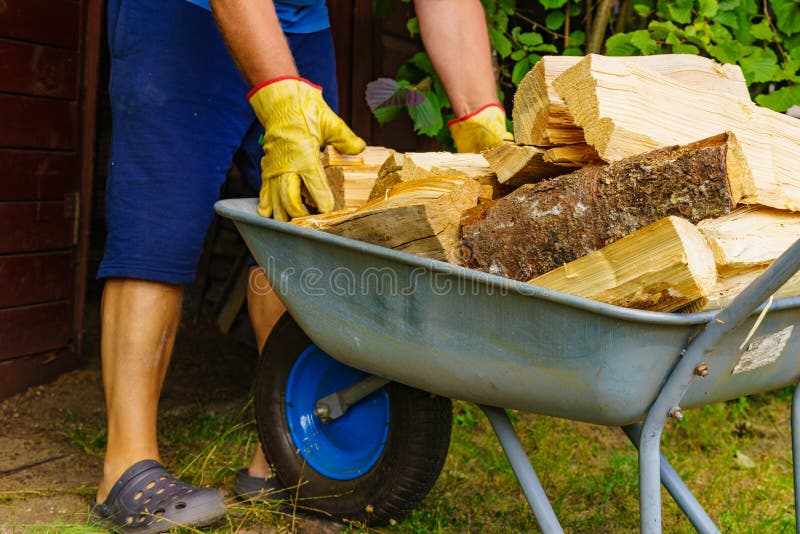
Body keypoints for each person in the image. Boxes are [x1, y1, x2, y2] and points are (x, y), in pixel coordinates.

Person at [89, 0, 510, 531]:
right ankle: (126, 466)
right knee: (158, 228)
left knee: (301, 232)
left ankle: (283, 455)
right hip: (182, 17)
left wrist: (480, 119)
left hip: (302, 26)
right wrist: (276, 92)